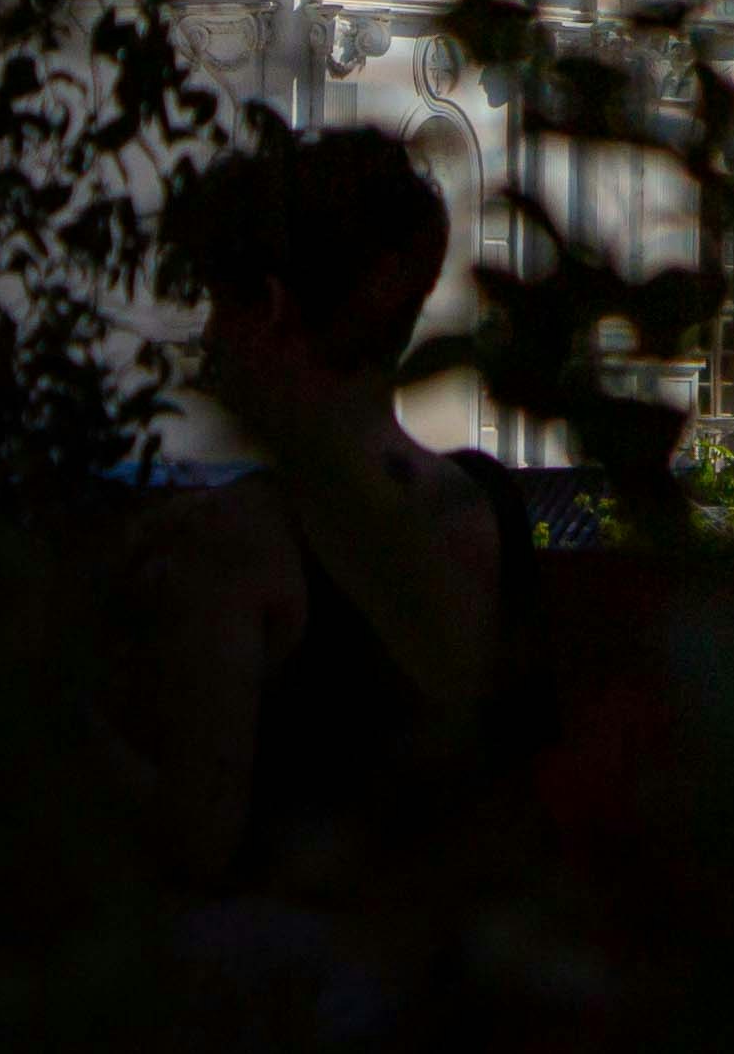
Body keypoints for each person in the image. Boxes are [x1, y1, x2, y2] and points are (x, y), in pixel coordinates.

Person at [129, 126, 548, 898]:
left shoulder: (235, 544)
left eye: (222, 305)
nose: (212, 339)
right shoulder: (485, 505)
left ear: (272, 310)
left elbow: (191, 842)